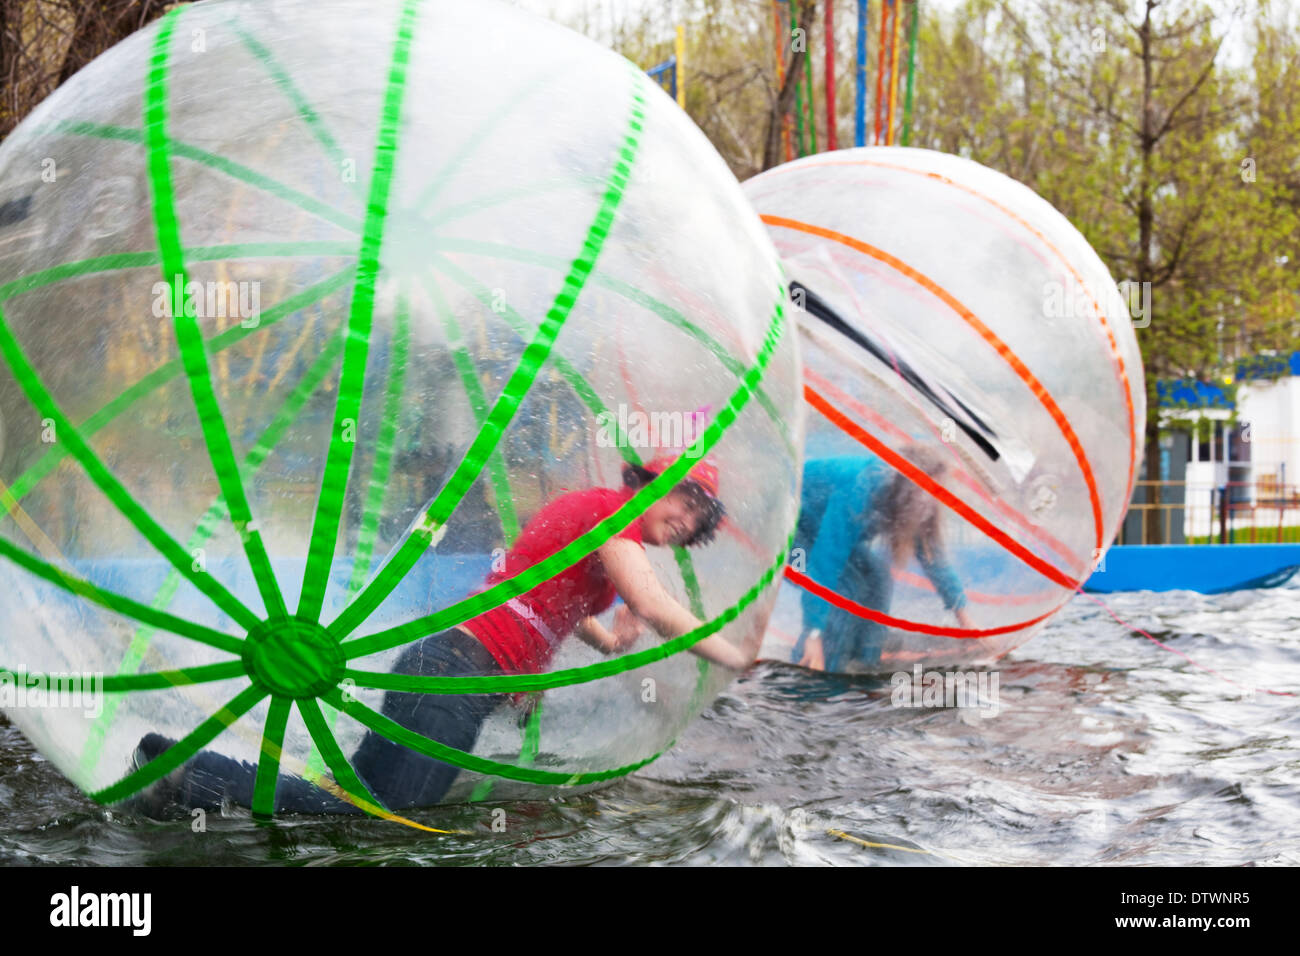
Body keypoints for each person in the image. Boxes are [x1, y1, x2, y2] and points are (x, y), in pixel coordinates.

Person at [129, 455, 746, 815]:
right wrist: (735, 655)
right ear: (650, 483)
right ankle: (186, 772)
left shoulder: (592, 513)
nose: (686, 521)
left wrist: (614, 640)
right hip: (456, 678)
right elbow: (656, 602)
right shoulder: (613, 516)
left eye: (699, 519)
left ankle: (184, 779)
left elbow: (549, 602)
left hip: (440, 664)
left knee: (351, 795)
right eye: (684, 500)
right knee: (382, 817)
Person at [790, 446, 973, 672]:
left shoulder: (912, 503)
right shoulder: (859, 489)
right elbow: (826, 562)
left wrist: (967, 623)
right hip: (790, 528)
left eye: (938, 491)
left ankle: (864, 662)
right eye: (927, 490)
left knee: (878, 577)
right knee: (844, 587)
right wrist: (813, 632)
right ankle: (812, 667)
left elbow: (933, 559)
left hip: (819, 529)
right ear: (908, 484)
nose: (931, 500)